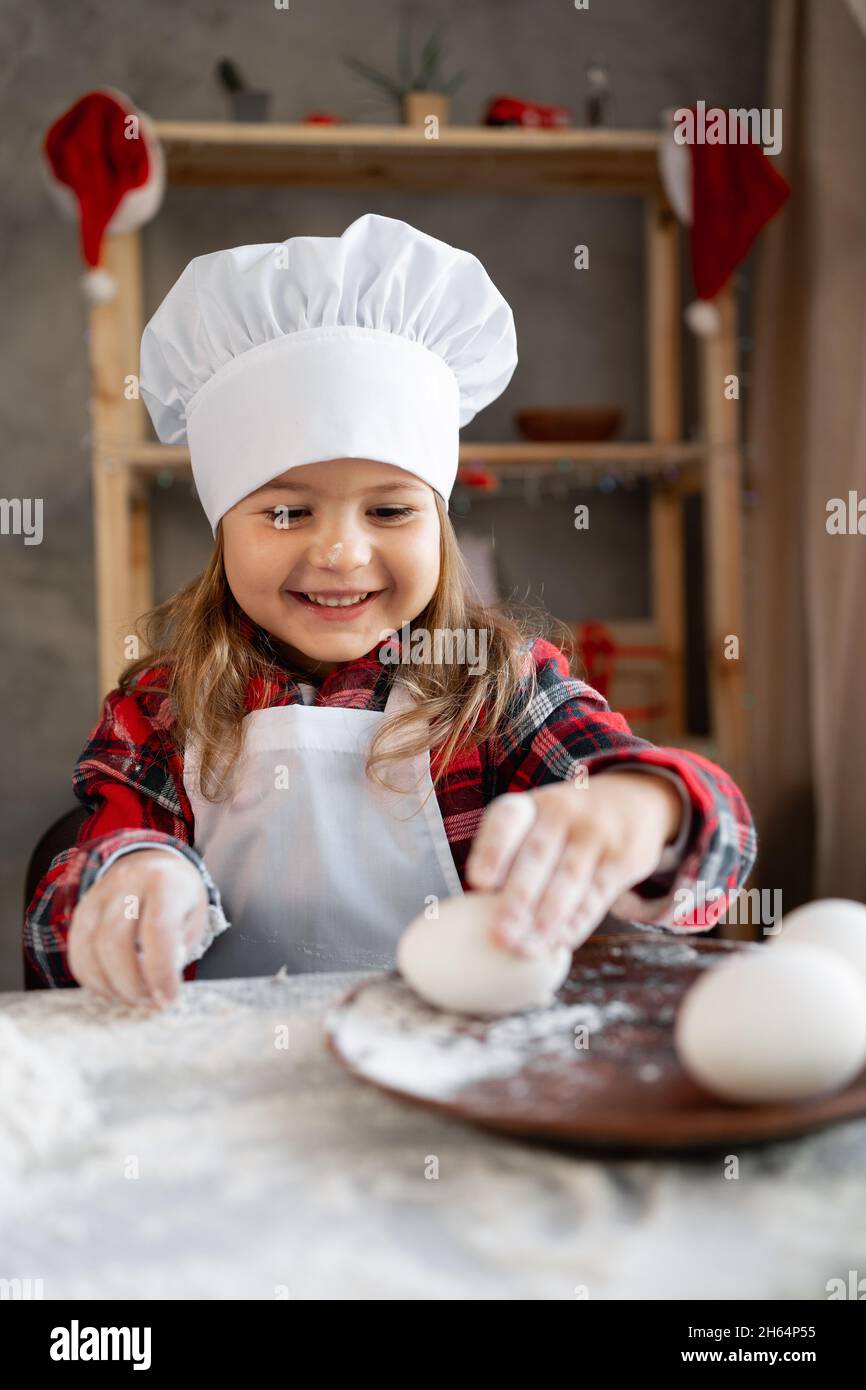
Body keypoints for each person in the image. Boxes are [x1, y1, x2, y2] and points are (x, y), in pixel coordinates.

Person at [24, 213, 756, 1008]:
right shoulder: (158, 711)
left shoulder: (499, 691)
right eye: (285, 512)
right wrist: (128, 883)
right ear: (220, 528)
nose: (340, 553)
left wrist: (646, 809)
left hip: (453, 1077)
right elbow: (64, 922)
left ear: (439, 524)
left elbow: (710, 845)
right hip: (234, 1093)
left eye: (389, 512)